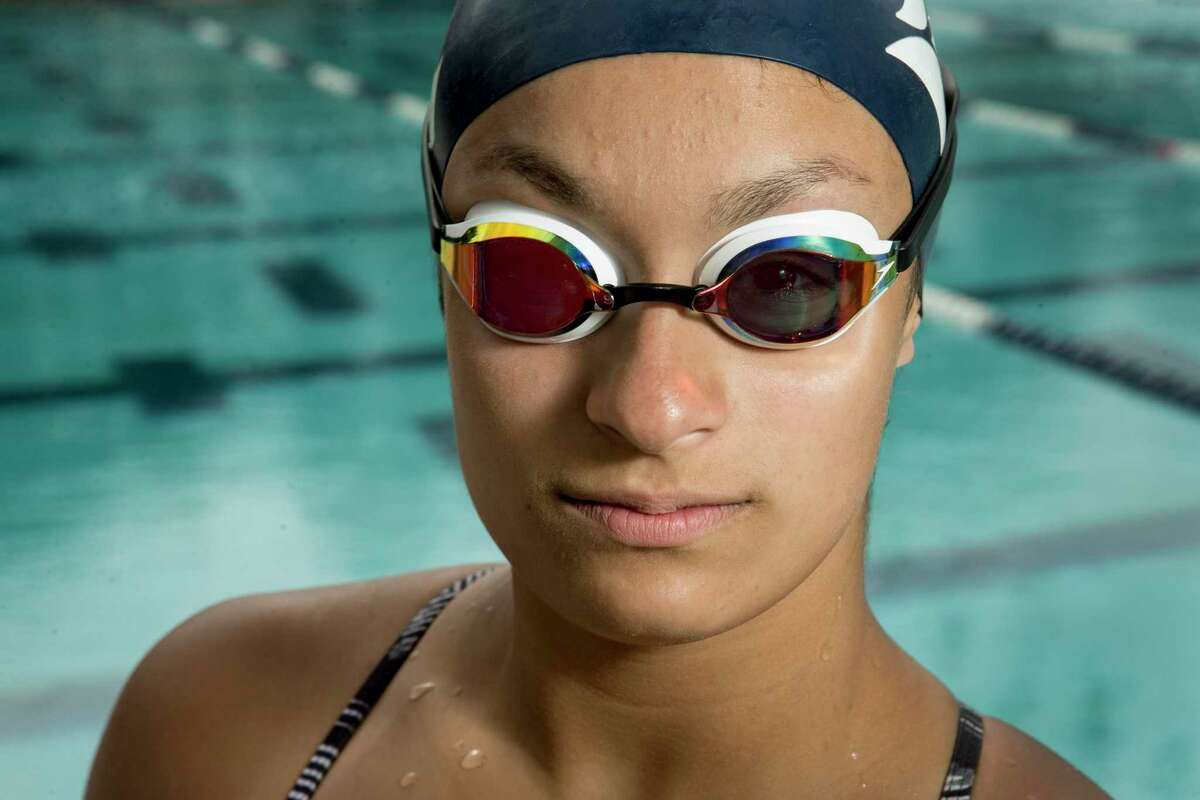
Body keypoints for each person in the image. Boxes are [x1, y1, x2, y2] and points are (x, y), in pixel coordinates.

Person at [87, 1, 1112, 798]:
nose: (648, 405)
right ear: (443, 282)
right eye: (536, 269)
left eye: (785, 278)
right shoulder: (216, 726)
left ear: (912, 303)